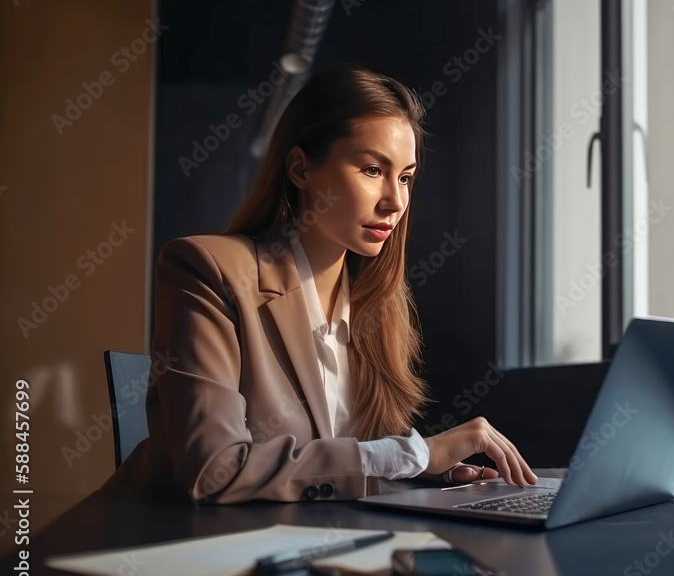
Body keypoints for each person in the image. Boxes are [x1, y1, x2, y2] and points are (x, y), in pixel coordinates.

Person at [113, 64, 537, 503]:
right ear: (300, 169)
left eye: (406, 177)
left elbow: (339, 461)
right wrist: (413, 454)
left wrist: (427, 471)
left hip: (318, 548)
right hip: (192, 554)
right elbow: (215, 470)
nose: (396, 201)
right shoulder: (207, 269)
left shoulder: (375, 305)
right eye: (373, 169)